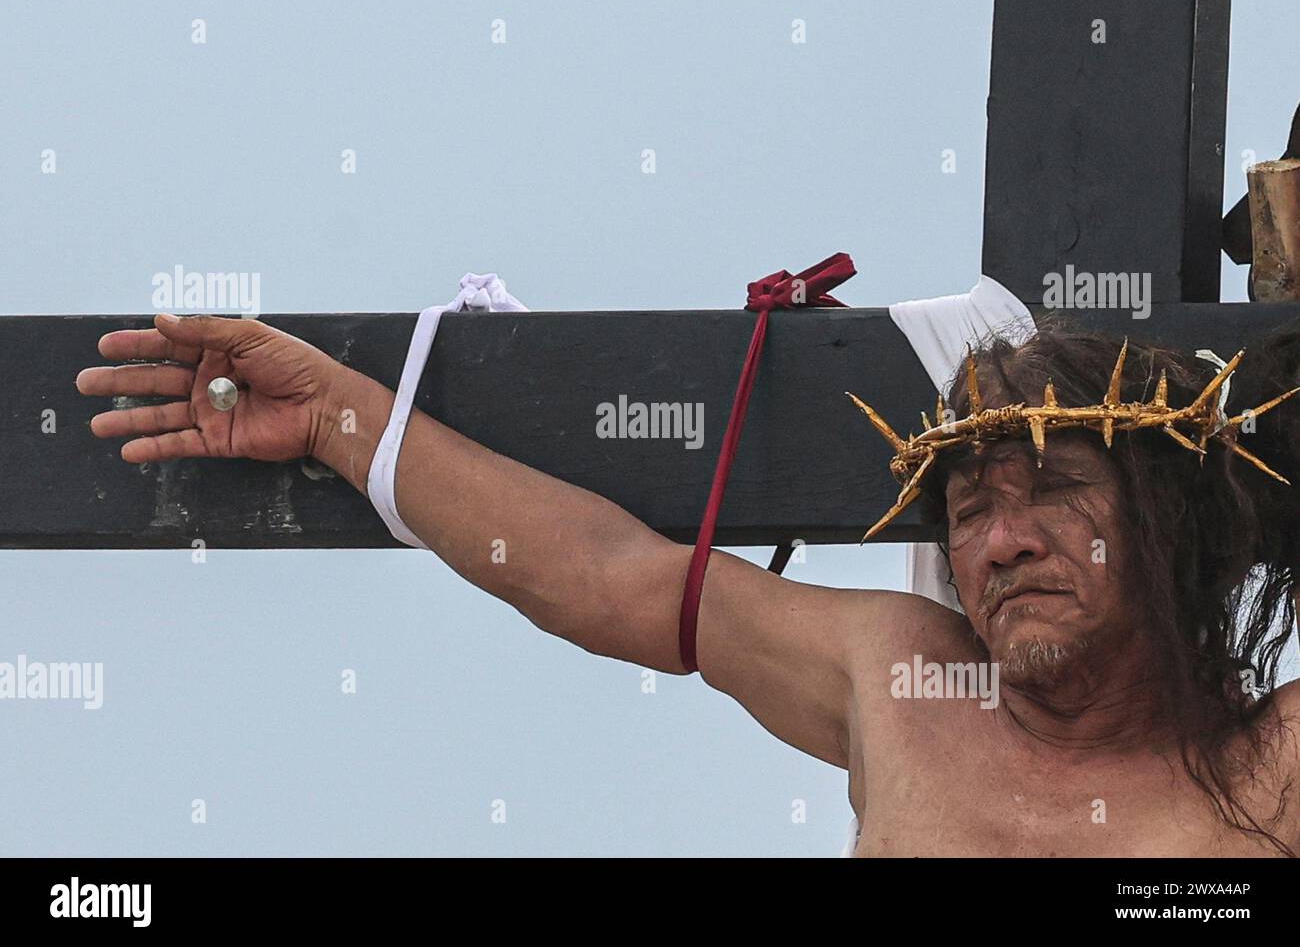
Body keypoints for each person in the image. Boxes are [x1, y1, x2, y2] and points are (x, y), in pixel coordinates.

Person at [75, 311, 1300, 856]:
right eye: (970, 509)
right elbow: (613, 575)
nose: (1003, 542)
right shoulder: (901, 685)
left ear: (1170, 511)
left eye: (1058, 491)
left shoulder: (1275, 766)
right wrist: (340, 417)